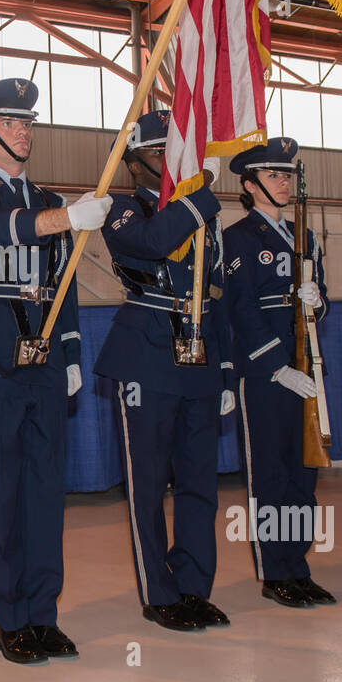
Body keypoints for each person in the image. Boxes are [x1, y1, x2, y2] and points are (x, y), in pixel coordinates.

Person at [0, 78, 112, 665]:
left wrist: (70, 354)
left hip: (41, 360)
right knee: (0, 491)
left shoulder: (47, 200)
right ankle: (9, 615)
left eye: (28, 123)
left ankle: (44, 612)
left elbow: (63, 289)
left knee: (43, 493)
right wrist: (62, 217)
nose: (23, 132)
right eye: (11, 124)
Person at [95, 110, 237, 631]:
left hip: (198, 357)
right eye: (161, 154)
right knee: (148, 484)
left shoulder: (201, 216)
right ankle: (159, 592)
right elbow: (153, 244)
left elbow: (214, 292)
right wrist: (199, 200)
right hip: (146, 357)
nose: (171, 164)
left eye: (177, 154)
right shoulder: (120, 208)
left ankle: (194, 586)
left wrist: (224, 369)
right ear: (134, 163)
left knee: (200, 483)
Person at [223, 137, 335, 608]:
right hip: (268, 375)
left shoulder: (305, 236)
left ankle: (298, 565)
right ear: (249, 185)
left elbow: (321, 301)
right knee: (270, 475)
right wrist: (275, 367)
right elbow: (240, 312)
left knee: (302, 473)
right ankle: (275, 572)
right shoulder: (239, 239)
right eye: (273, 175)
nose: (284, 182)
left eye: (287, 175)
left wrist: (318, 301)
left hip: (307, 369)